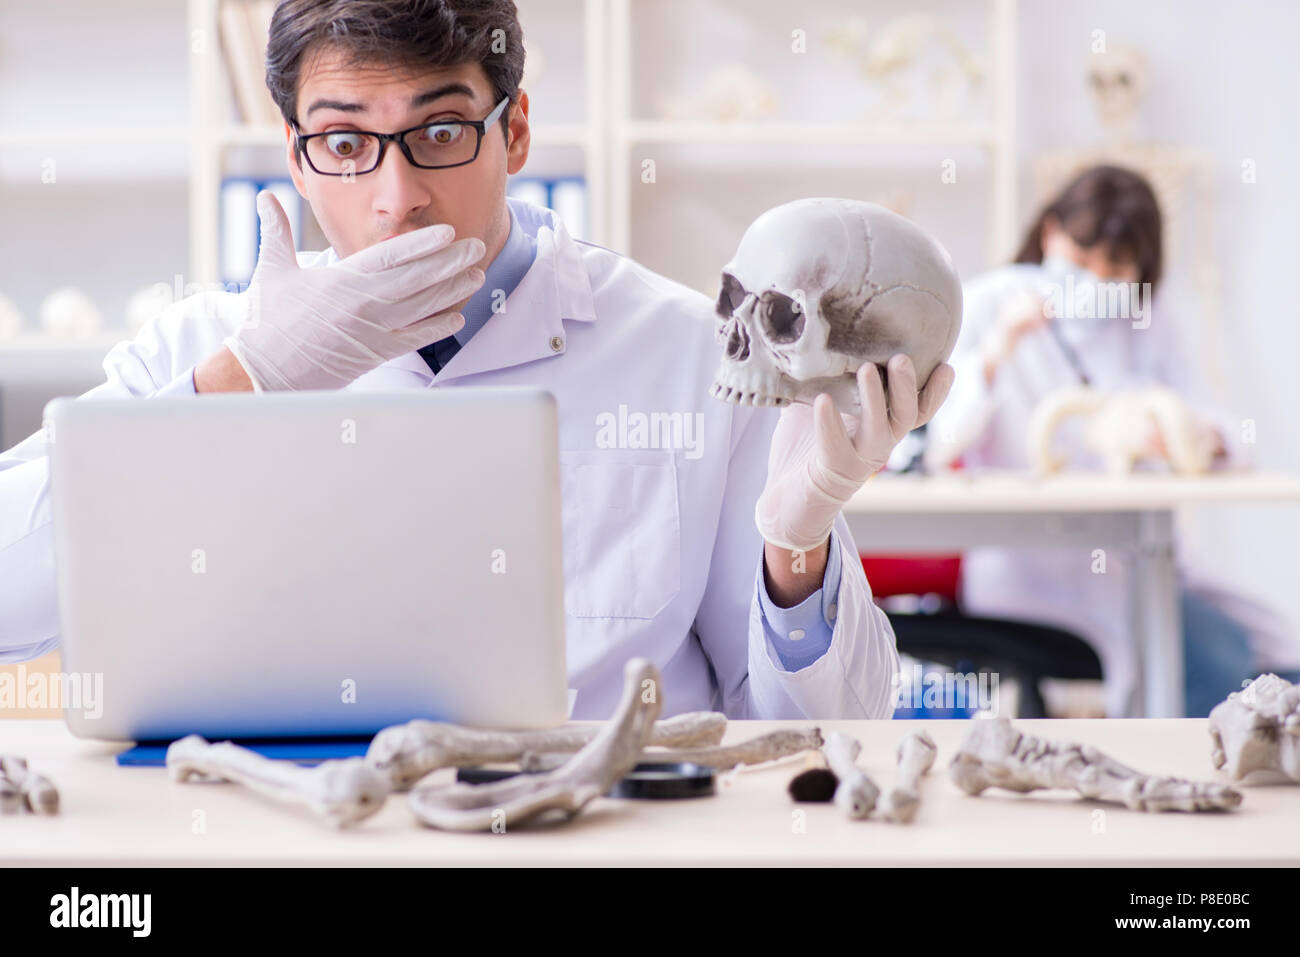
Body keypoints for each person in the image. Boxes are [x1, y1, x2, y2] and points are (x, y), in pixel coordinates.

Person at [0, 0, 953, 720]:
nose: (397, 194)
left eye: (442, 131)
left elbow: (832, 737)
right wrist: (247, 383)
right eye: (344, 141)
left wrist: (798, 550)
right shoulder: (196, 348)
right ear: (294, 159)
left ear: (517, 132)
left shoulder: (687, 353)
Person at [924, 164, 1300, 716]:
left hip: (1144, 552)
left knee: (1279, 647)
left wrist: (1191, 439)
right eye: (1080, 261)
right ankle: (1186, 773)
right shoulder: (989, 303)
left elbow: (1222, 431)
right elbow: (941, 446)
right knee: (1211, 653)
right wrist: (1001, 349)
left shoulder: (1147, 317)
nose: (1096, 281)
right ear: (1050, 233)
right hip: (1033, 568)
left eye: (1117, 268)